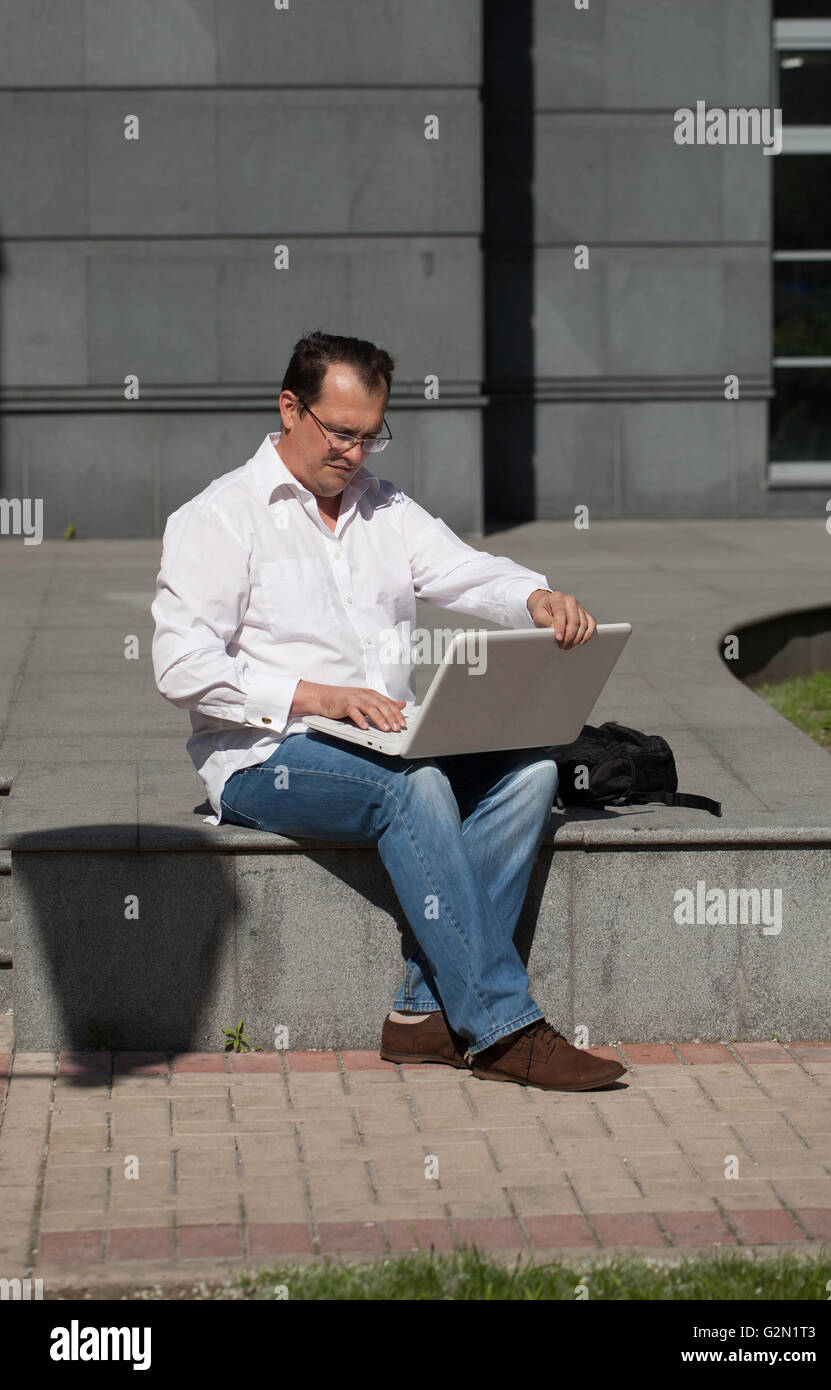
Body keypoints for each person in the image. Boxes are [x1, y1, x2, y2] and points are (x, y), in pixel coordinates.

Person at [151, 330, 626, 1093]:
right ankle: (504, 1026)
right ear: (289, 408)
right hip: (263, 757)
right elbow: (180, 667)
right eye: (341, 432)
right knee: (415, 790)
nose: (356, 454)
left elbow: (466, 573)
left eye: (372, 437)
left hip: (388, 740)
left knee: (531, 772)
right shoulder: (219, 517)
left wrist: (532, 597)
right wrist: (319, 695)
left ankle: (420, 1017)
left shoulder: (385, 510)